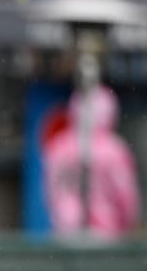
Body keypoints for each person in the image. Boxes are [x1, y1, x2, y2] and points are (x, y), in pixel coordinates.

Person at [43, 85, 141, 239]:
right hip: (107, 237)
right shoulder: (115, 150)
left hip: (65, 236)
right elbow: (126, 198)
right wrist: (127, 226)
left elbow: (51, 194)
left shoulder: (58, 148)